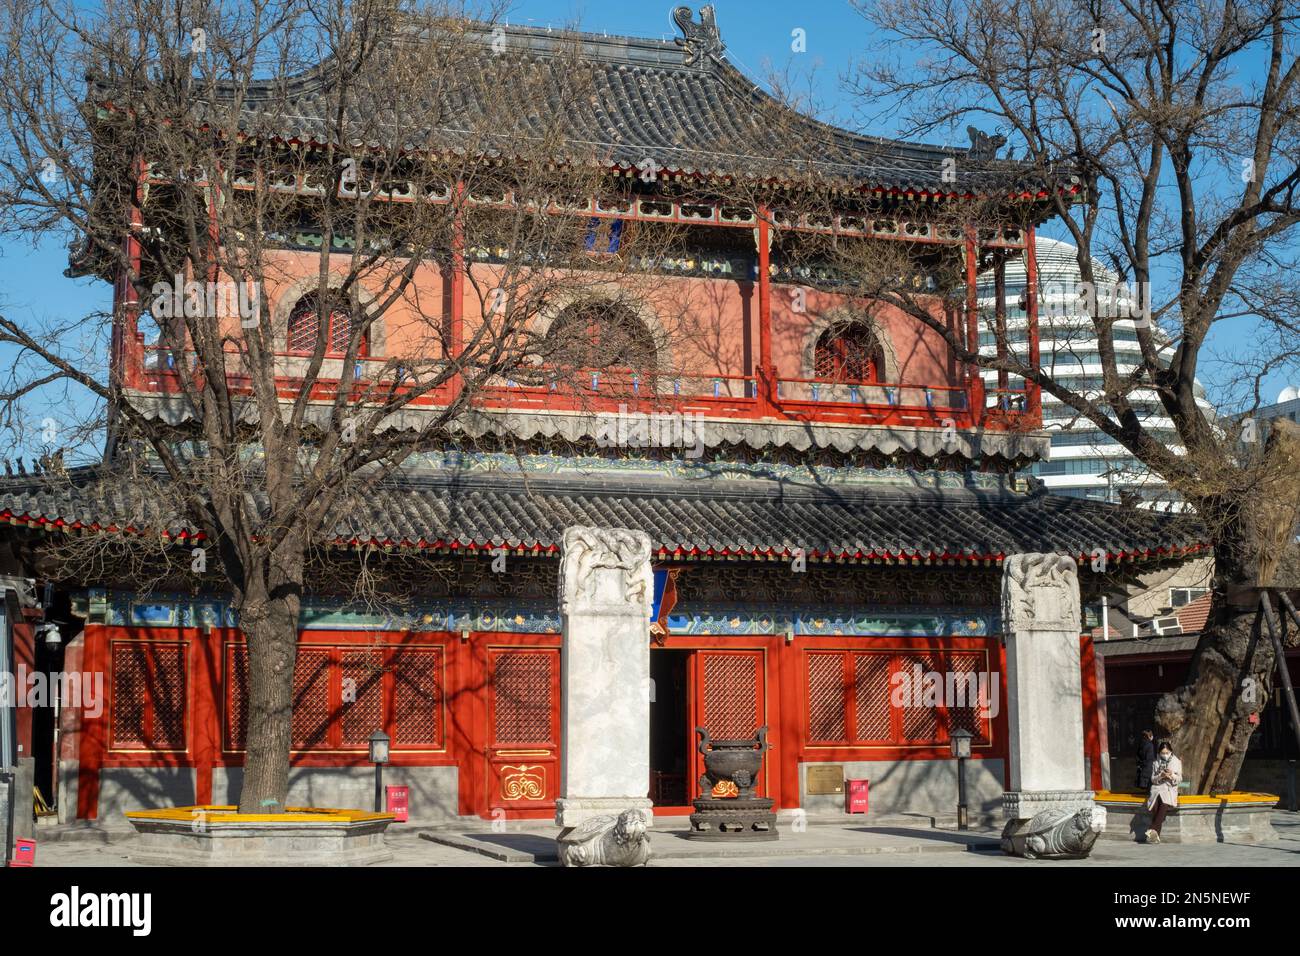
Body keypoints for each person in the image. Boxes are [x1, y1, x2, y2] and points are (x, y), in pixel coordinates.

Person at [1145, 739, 1182, 844]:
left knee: (1164, 801)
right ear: (1159, 753)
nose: (1165, 755)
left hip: (1169, 789)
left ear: (1171, 751)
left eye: (1167, 753)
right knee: (1156, 805)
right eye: (1162, 753)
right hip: (1157, 788)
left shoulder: (1177, 762)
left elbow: (1179, 779)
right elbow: (1152, 779)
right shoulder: (1155, 762)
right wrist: (1160, 776)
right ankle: (1155, 836)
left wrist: (1171, 775)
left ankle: (1152, 829)